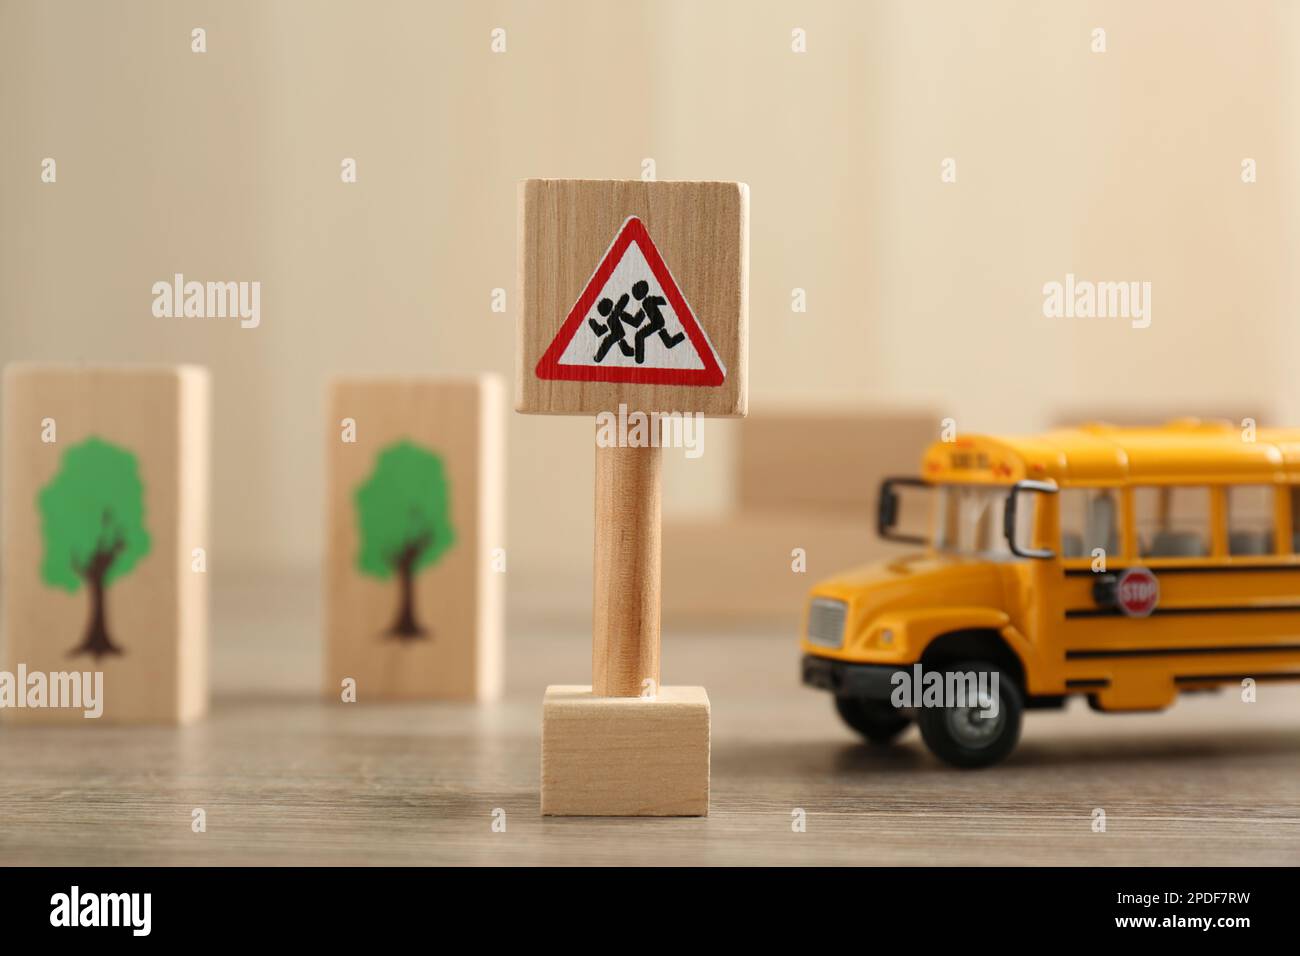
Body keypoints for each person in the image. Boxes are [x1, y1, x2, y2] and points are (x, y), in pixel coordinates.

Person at [629, 280, 685, 364]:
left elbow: (662, 300)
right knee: (668, 343)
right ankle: (683, 335)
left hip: (657, 323)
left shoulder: (649, 300)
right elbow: (639, 319)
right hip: (658, 323)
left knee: (639, 336)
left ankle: (639, 359)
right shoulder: (646, 302)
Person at [587, 293, 640, 363]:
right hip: (617, 334)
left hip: (617, 334)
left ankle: (598, 358)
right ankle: (598, 358)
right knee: (610, 342)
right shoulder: (613, 316)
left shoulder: (612, 316)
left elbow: (623, 302)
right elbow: (622, 303)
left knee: (611, 342)